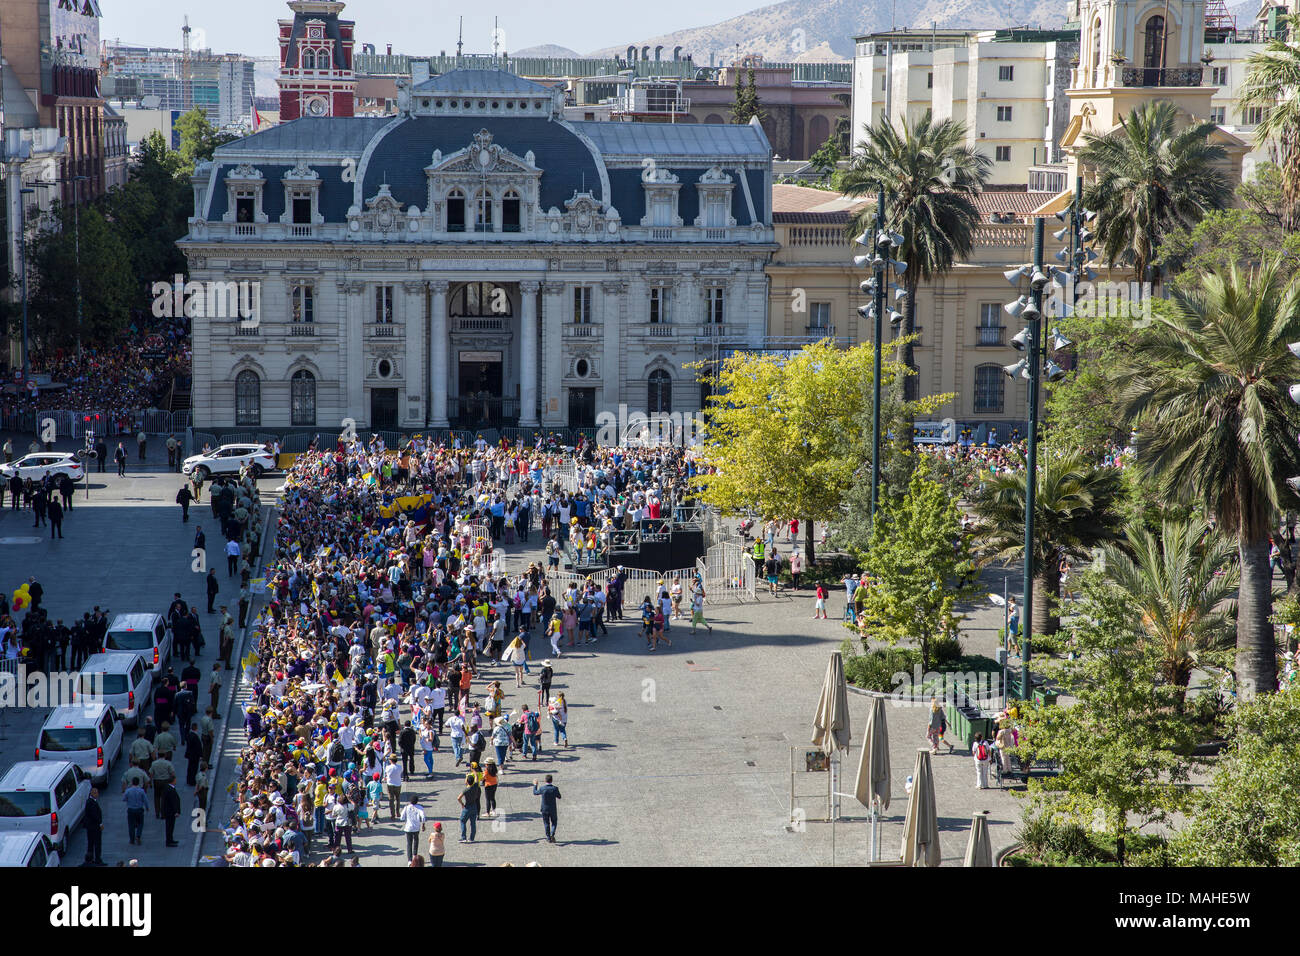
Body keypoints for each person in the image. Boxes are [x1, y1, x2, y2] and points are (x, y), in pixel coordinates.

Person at [532, 774, 561, 843]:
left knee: (546, 823)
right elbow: (559, 796)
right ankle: (552, 833)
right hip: (553, 809)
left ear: (545, 780)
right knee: (554, 822)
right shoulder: (555, 788)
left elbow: (535, 792)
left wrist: (535, 785)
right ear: (552, 780)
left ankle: (548, 837)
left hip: (544, 809)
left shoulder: (542, 788)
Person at [400, 794, 426, 861]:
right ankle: (415, 855)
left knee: (409, 843)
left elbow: (401, 817)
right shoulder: (420, 807)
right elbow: (423, 817)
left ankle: (409, 860)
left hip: (408, 828)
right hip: (416, 828)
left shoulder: (406, 807)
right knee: (416, 841)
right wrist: (423, 825)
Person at [123, 777, 148, 846]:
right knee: (140, 823)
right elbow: (145, 800)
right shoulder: (141, 791)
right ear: (138, 782)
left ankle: (132, 839)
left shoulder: (128, 791)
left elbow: (124, 799)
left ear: (132, 782)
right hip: (139, 809)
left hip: (131, 809)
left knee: (131, 825)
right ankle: (138, 835)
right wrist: (147, 807)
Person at [83, 787, 105, 865]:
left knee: (91, 843)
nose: (97, 794)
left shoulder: (90, 802)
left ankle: (90, 858)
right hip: (94, 827)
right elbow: (94, 815)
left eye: (97, 792)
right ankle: (97, 859)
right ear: (91, 793)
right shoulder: (91, 803)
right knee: (97, 843)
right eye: (95, 793)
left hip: (90, 827)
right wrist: (100, 823)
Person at [457, 772, 480, 843]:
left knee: (462, 821)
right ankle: (472, 838)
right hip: (474, 806)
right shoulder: (475, 786)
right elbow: (476, 778)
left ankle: (464, 837)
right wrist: (474, 772)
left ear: (467, 781)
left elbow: (458, 798)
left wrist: (462, 804)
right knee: (473, 823)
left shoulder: (466, 790)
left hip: (467, 807)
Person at [161, 778, 182, 846]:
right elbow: (173, 802)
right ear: (173, 781)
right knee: (169, 826)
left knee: (170, 826)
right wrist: (176, 811)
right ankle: (169, 841)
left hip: (169, 811)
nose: (176, 781)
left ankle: (170, 839)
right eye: (175, 780)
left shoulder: (168, 788)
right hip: (170, 812)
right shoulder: (170, 789)